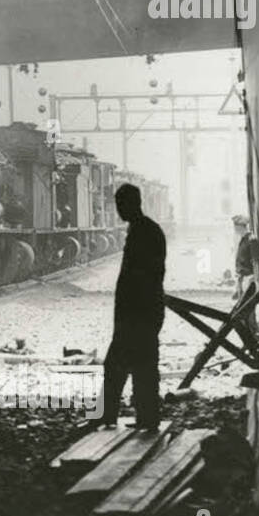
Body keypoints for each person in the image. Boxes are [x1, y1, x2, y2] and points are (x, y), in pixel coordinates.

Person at [92, 183, 166, 430]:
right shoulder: (145, 229)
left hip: (138, 312)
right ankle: (145, 419)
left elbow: (140, 277)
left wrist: (128, 314)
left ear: (133, 203)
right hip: (142, 311)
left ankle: (108, 416)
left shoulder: (143, 231)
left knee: (119, 364)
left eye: (121, 205)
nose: (119, 210)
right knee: (141, 366)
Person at [232, 214, 259, 301]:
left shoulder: (252, 240)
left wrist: (255, 279)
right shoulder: (243, 240)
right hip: (242, 278)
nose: (235, 229)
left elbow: (255, 261)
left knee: (248, 304)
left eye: (236, 227)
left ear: (240, 227)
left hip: (248, 278)